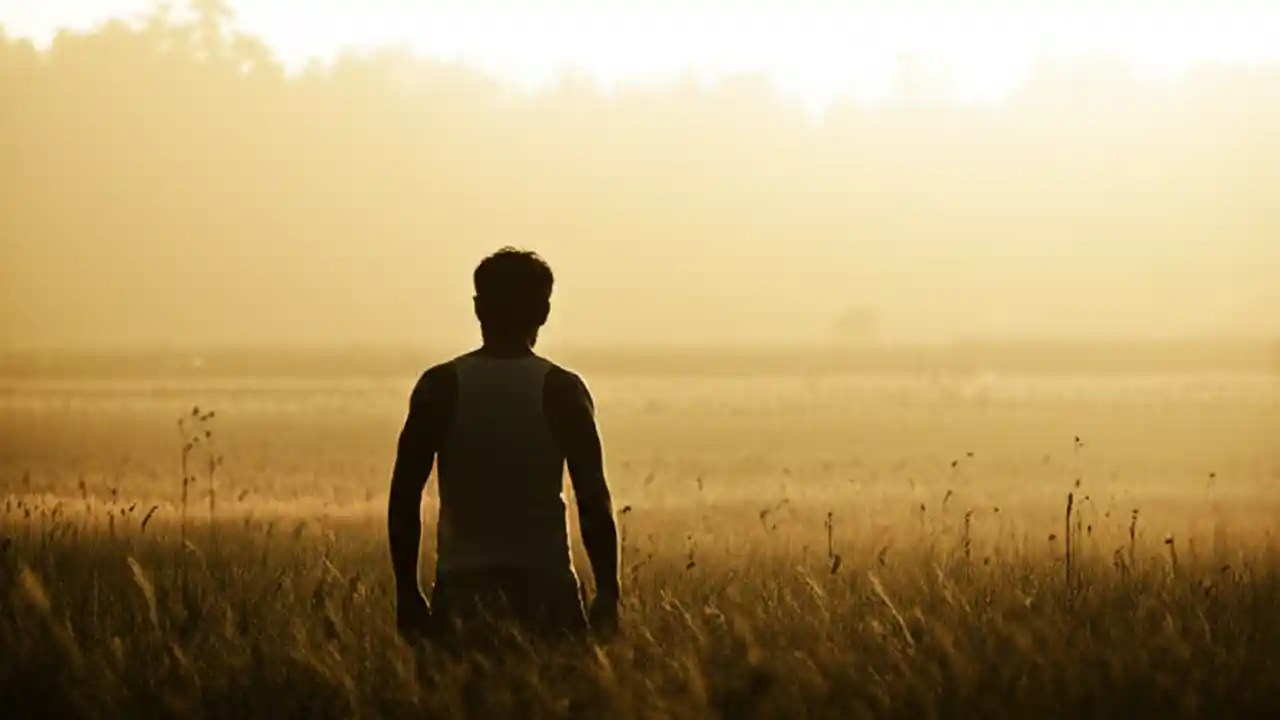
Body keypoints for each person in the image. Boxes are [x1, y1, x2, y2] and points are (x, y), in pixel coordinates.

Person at [388, 247, 619, 650]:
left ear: (479, 308)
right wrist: (608, 592)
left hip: (463, 585)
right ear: (544, 312)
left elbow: (404, 497)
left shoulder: (440, 387)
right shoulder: (562, 390)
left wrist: (407, 591)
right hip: (546, 584)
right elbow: (593, 498)